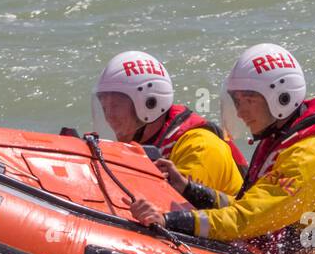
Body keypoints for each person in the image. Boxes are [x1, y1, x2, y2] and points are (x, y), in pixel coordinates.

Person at [129, 43, 315, 254]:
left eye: (248, 100)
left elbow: (245, 220)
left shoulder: (309, 156)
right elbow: (248, 207)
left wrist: (168, 220)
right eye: (236, 101)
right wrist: (188, 189)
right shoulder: (285, 140)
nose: (240, 111)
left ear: (281, 98)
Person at [92, 50, 244, 196]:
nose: (109, 116)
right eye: (104, 107)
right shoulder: (144, 145)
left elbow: (177, 210)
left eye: (116, 106)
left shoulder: (200, 148)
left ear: (150, 103)